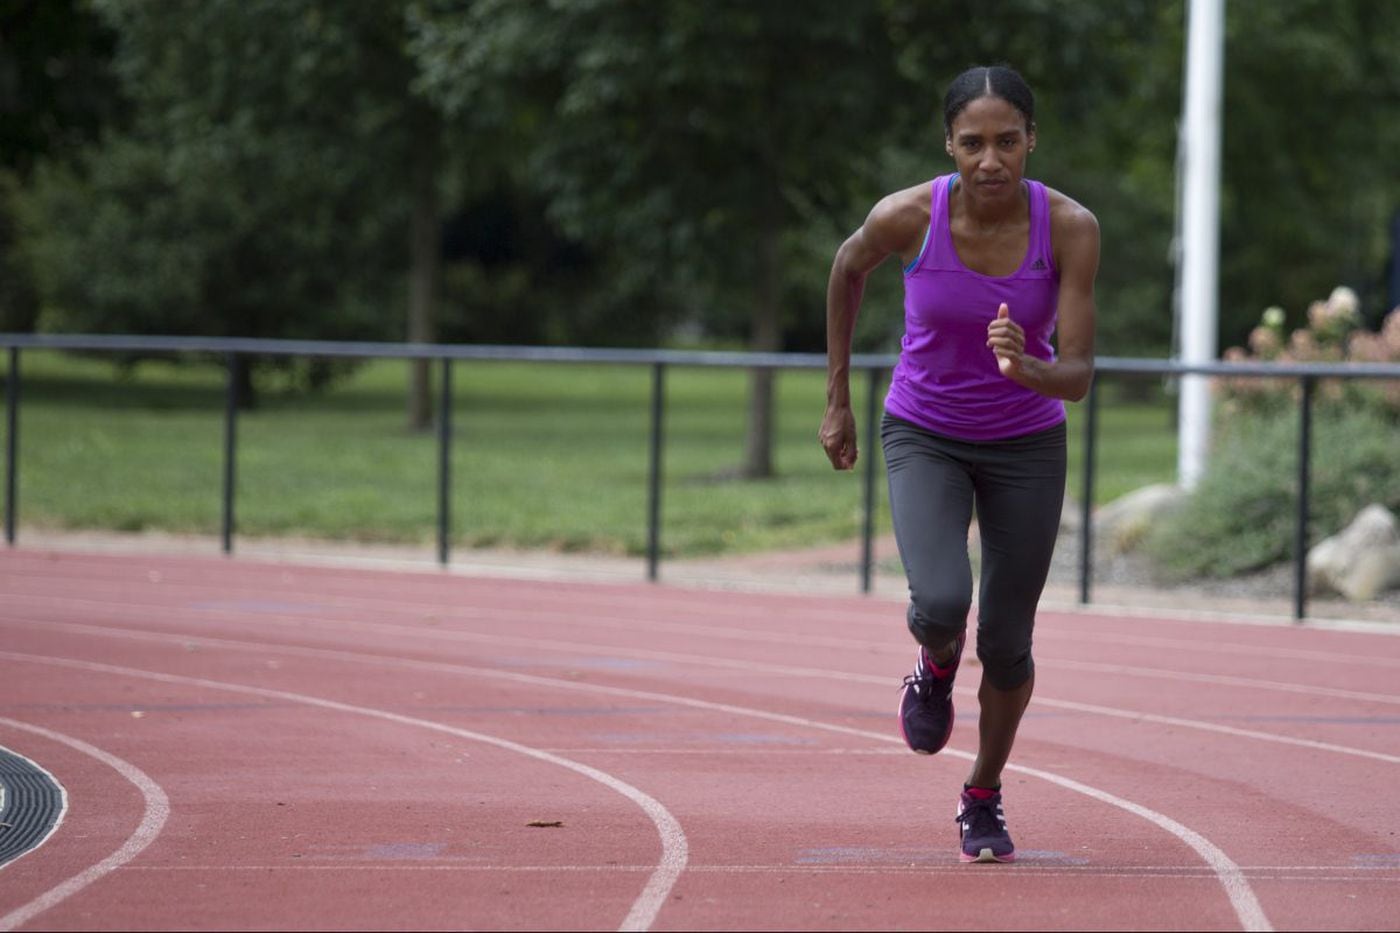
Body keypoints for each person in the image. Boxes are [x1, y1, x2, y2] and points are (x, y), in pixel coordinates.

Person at [819, 64, 1098, 863]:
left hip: (1027, 442)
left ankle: (982, 792)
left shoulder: (1070, 227)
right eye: (972, 143)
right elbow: (847, 268)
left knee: (1008, 641)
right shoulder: (909, 215)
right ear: (949, 143)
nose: (990, 161)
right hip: (925, 432)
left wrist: (1026, 367)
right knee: (943, 602)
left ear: (1031, 141)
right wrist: (837, 400)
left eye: (1007, 141)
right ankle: (935, 665)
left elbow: (1075, 376)